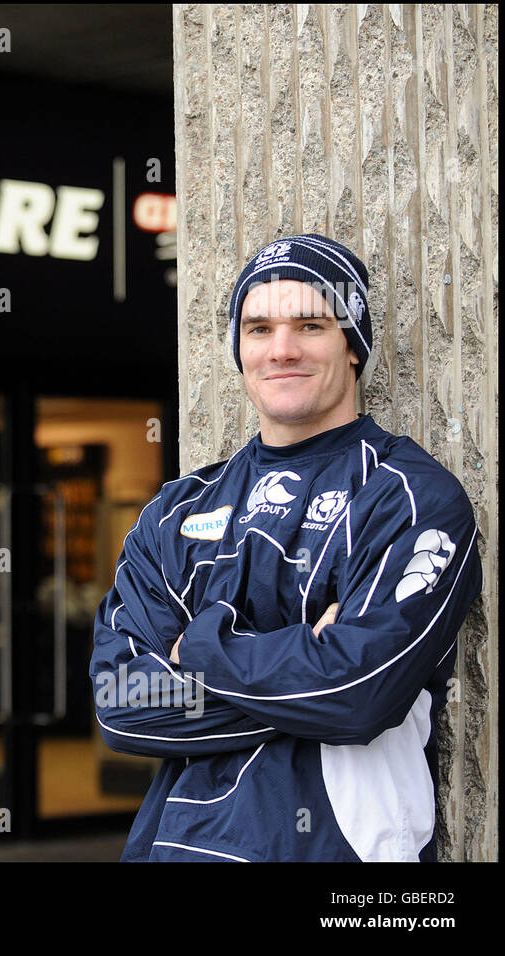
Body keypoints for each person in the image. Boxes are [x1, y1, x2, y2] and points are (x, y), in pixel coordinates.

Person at [91, 234, 483, 862]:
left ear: (351, 346)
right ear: (239, 348)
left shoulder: (409, 498)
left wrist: (198, 649)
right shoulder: (177, 510)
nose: (281, 349)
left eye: (310, 324)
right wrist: (311, 662)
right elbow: (121, 705)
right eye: (259, 327)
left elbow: (360, 694)